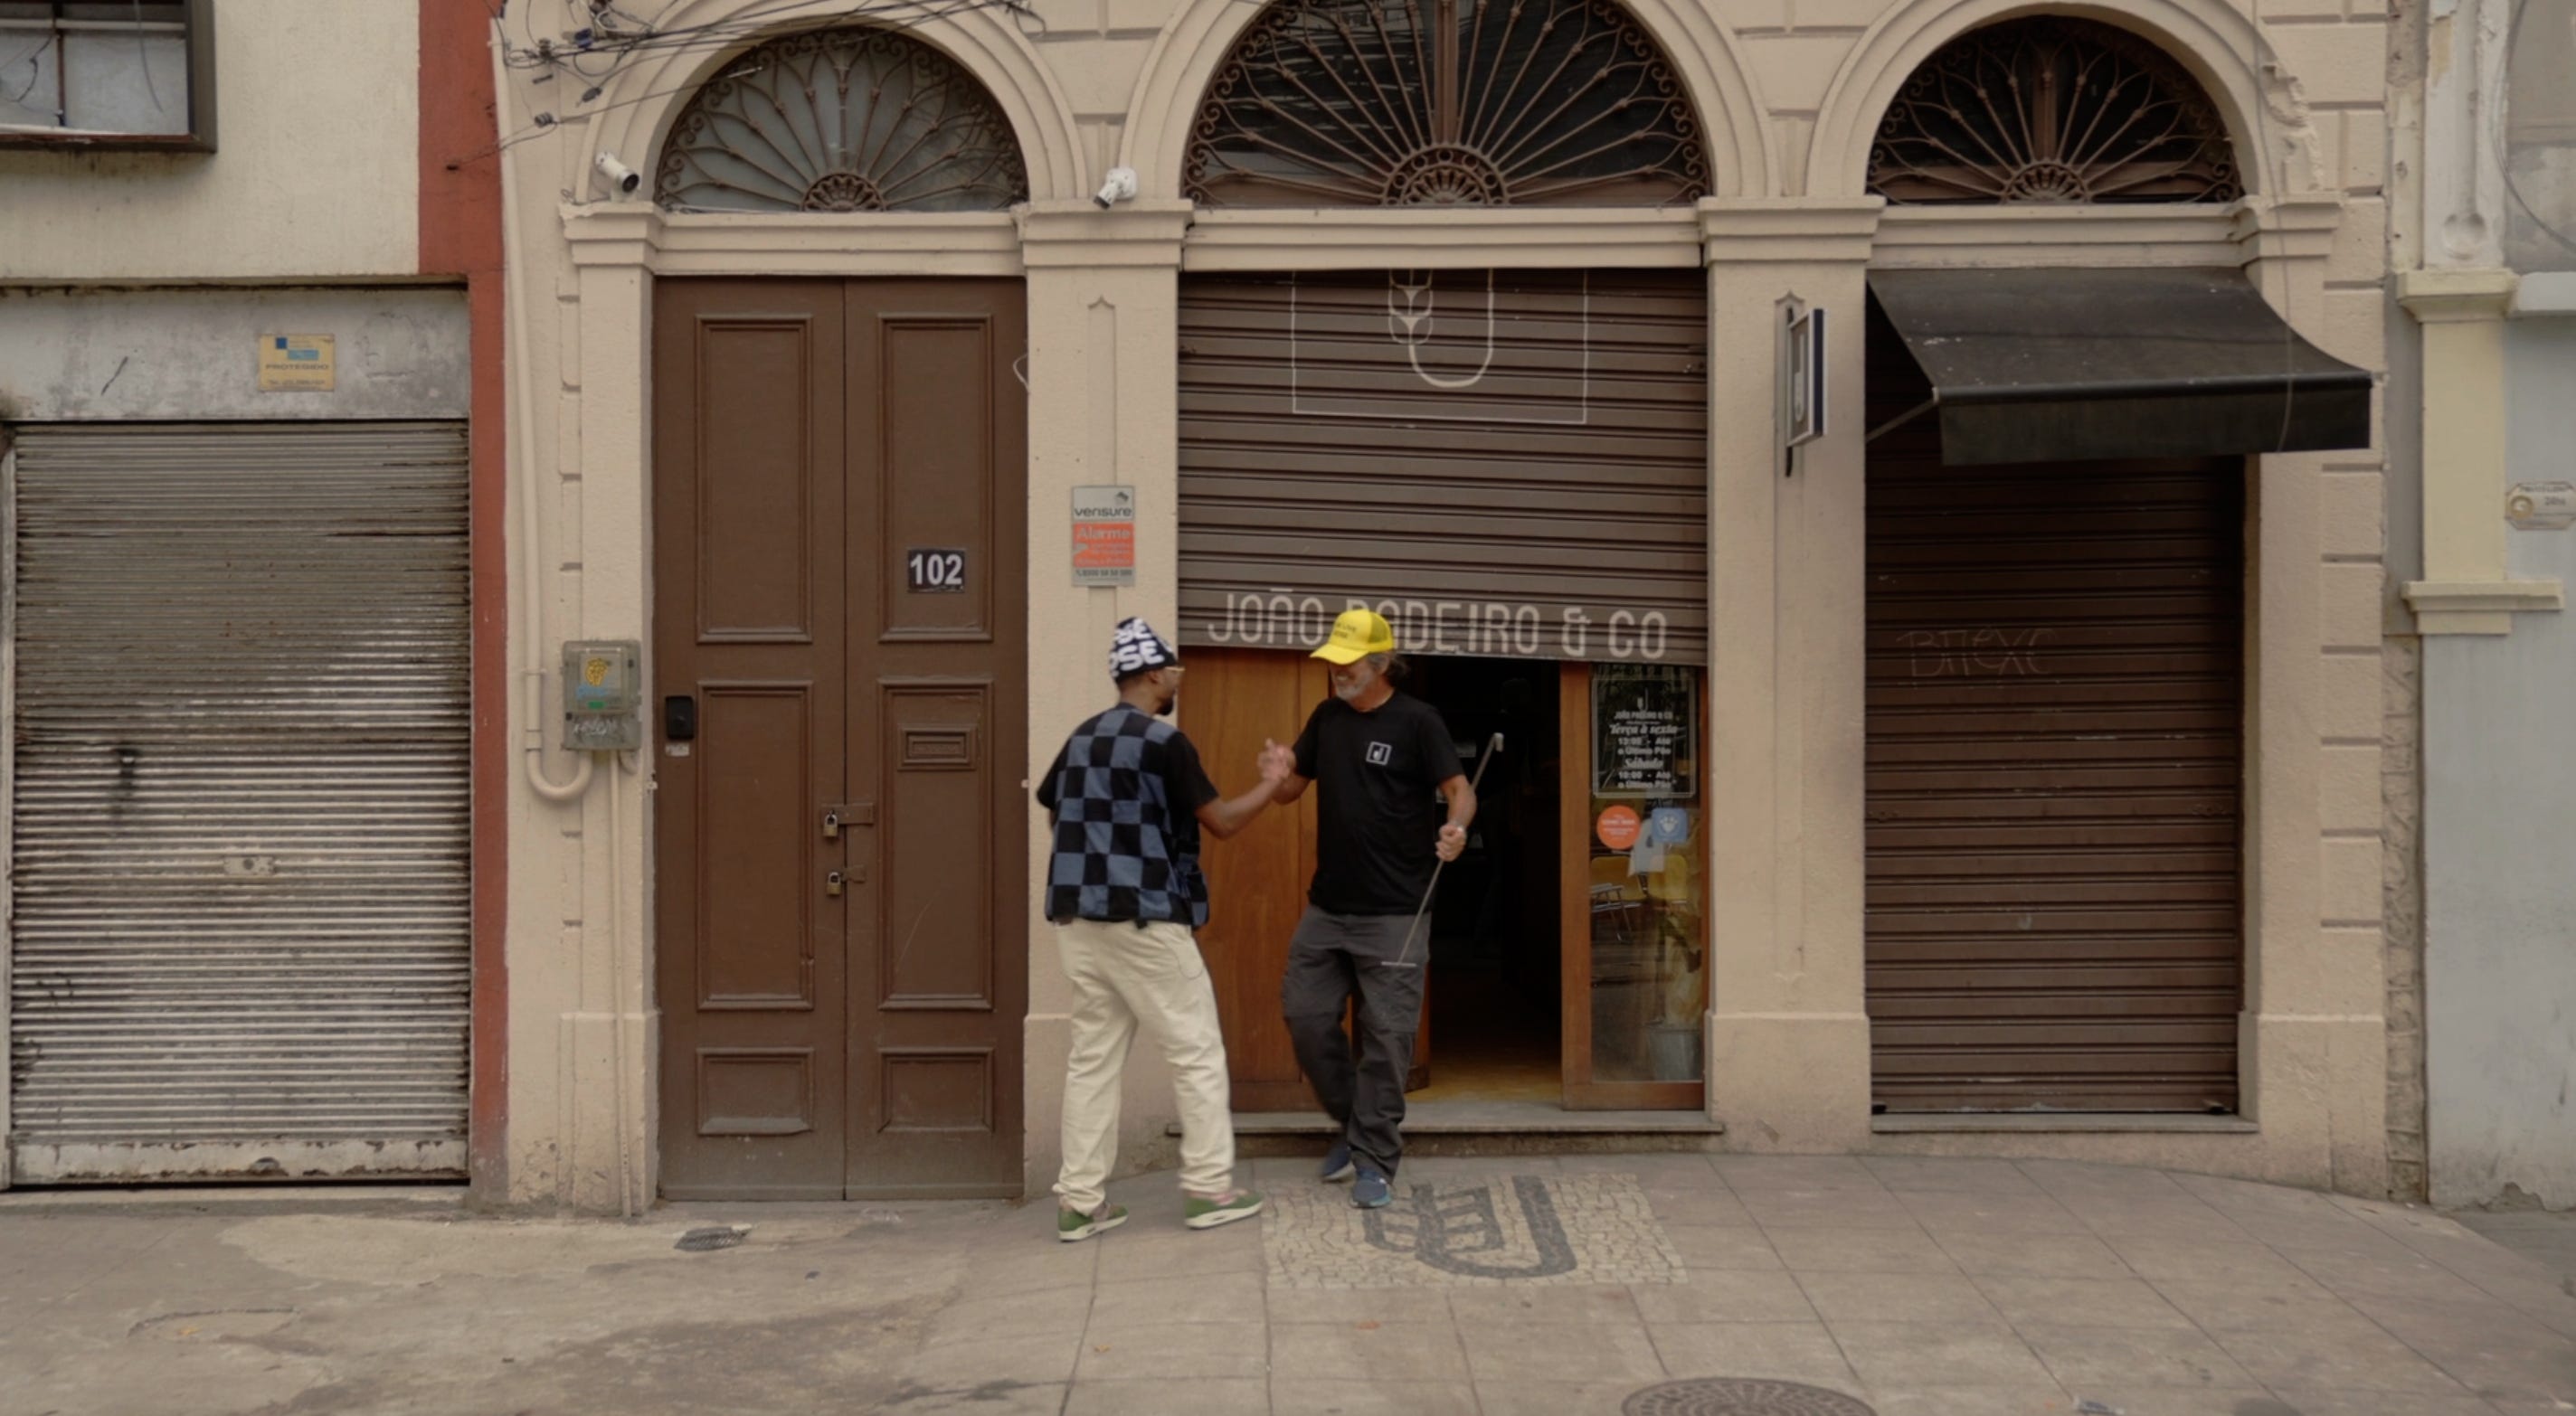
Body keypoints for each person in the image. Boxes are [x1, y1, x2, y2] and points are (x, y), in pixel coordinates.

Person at [1036, 617, 1293, 1241]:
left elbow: (1054, 808)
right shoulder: (1162, 741)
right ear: (1153, 673)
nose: (1178, 679)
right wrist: (1271, 781)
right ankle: (1209, 1189)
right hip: (1144, 917)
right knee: (1197, 1051)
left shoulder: (1080, 737)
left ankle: (1079, 1202)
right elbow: (1223, 822)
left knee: (1092, 1060)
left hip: (1077, 919)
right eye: (1174, 670)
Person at [1268, 609, 1474, 1209]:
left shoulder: (1418, 722)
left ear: (1381, 664)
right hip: (1327, 908)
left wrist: (1457, 828)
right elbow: (1291, 791)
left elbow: (1459, 791)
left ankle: (1375, 1160)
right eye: (1332, 661)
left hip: (1396, 915)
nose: (1336, 671)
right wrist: (1278, 774)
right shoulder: (1327, 719)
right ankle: (1355, 1123)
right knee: (1305, 1016)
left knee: (1386, 1041)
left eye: (1347, 662)